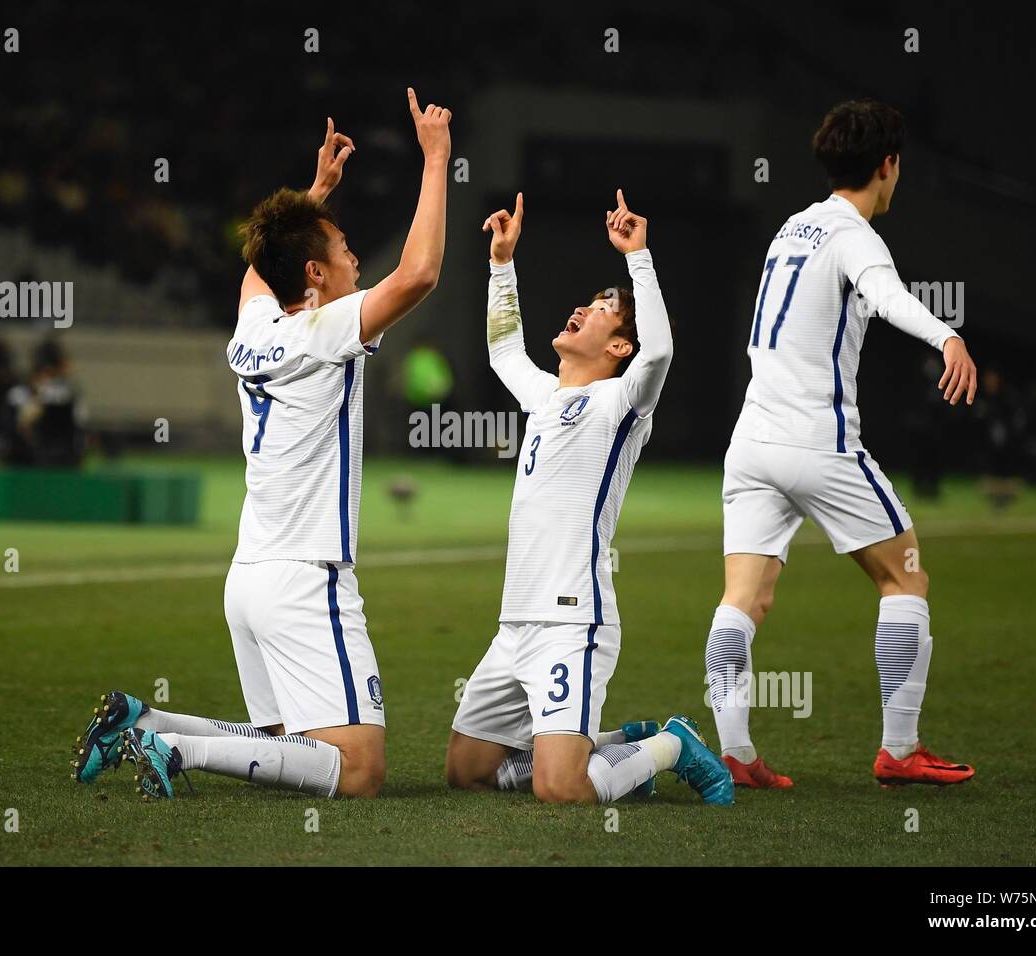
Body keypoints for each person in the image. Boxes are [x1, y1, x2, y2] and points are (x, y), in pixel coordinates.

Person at [72, 91, 452, 800]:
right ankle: (173, 746)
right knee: (359, 771)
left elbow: (258, 269)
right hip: (307, 577)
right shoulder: (324, 329)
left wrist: (309, 203)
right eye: (340, 249)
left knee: (291, 747)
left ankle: (145, 718)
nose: (354, 257)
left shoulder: (254, 328)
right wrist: (435, 162)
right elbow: (420, 273)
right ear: (313, 274)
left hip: (248, 576)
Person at [703, 99, 978, 789]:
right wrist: (947, 335)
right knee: (904, 574)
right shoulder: (855, 234)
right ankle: (900, 748)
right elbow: (884, 295)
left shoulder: (790, 229)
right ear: (887, 166)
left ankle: (735, 755)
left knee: (743, 599)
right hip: (818, 443)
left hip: (751, 443)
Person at [444, 190, 733, 806]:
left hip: (573, 621)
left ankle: (672, 744)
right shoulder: (547, 398)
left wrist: (639, 257)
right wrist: (502, 264)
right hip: (514, 621)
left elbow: (659, 349)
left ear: (618, 348)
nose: (582, 307)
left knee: (561, 790)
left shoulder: (622, 405)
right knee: (466, 771)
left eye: (602, 309)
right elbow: (502, 351)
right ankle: (614, 742)